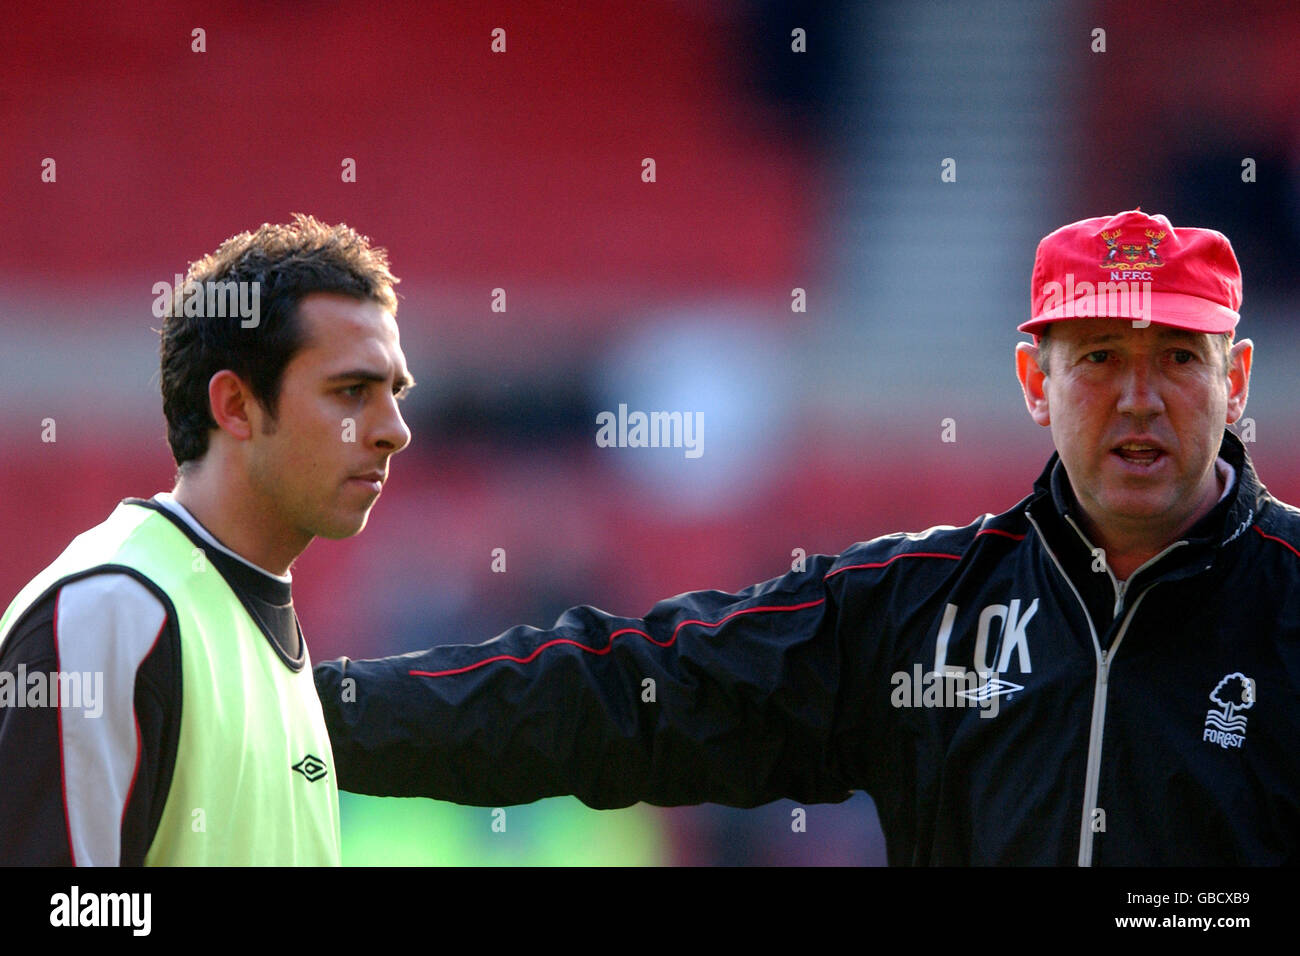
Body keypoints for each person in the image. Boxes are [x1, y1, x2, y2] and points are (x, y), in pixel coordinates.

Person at [313, 209, 1299, 865]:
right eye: (1095, 357)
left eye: (1177, 356)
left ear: (1238, 380)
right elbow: (630, 693)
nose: (1137, 396)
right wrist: (300, 710)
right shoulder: (917, 608)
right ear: (1034, 382)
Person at [0, 214, 414, 865]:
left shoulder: (251, 618)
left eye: (395, 393)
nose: (395, 430)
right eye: (352, 391)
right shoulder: (112, 612)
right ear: (236, 407)